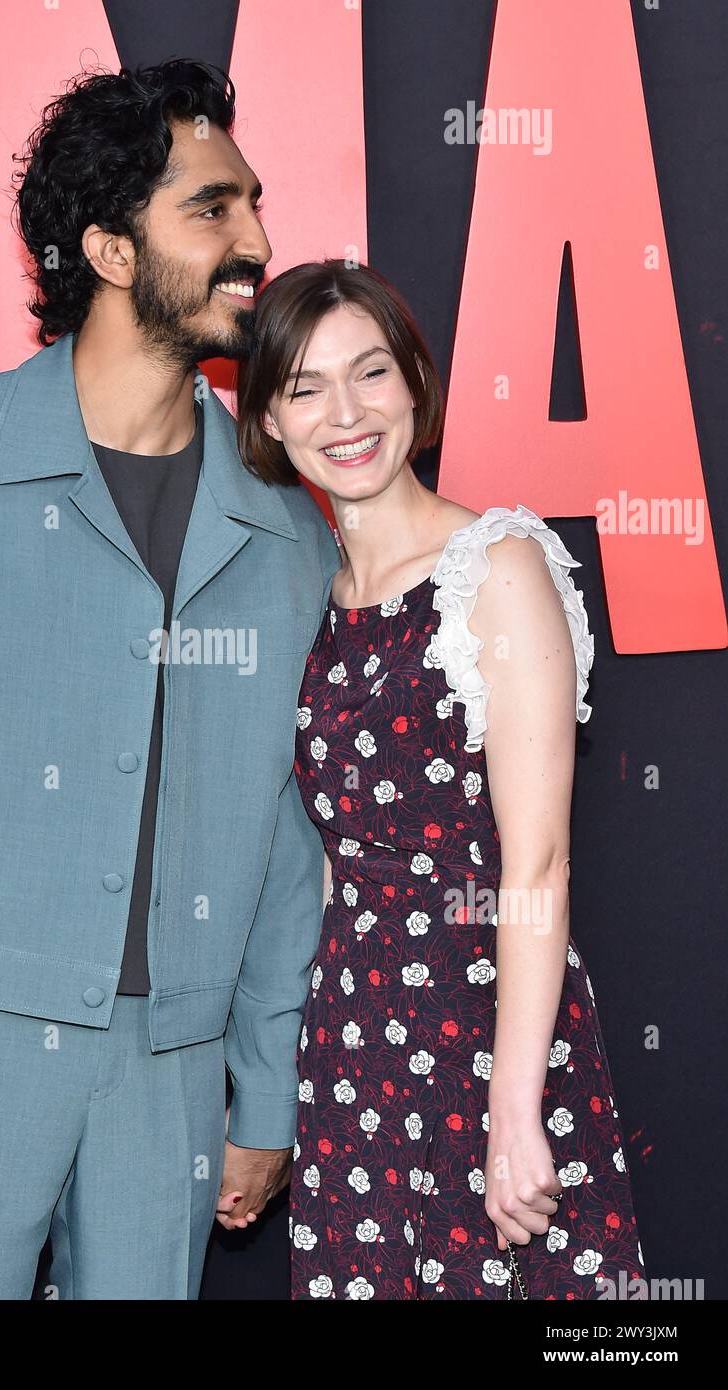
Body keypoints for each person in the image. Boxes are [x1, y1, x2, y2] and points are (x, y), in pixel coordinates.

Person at [0, 61, 342, 1300]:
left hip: (173, 1074)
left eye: (253, 203)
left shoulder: (287, 530)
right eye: (212, 208)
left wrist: (266, 1079)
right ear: (110, 248)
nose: (256, 239)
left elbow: (288, 837)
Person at [234, 259, 644, 1299]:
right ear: (271, 422)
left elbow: (539, 859)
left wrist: (515, 1107)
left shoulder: (497, 568)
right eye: (306, 388)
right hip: (350, 1045)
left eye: (370, 372)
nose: (347, 413)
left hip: (486, 1025)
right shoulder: (312, 598)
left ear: (416, 385)